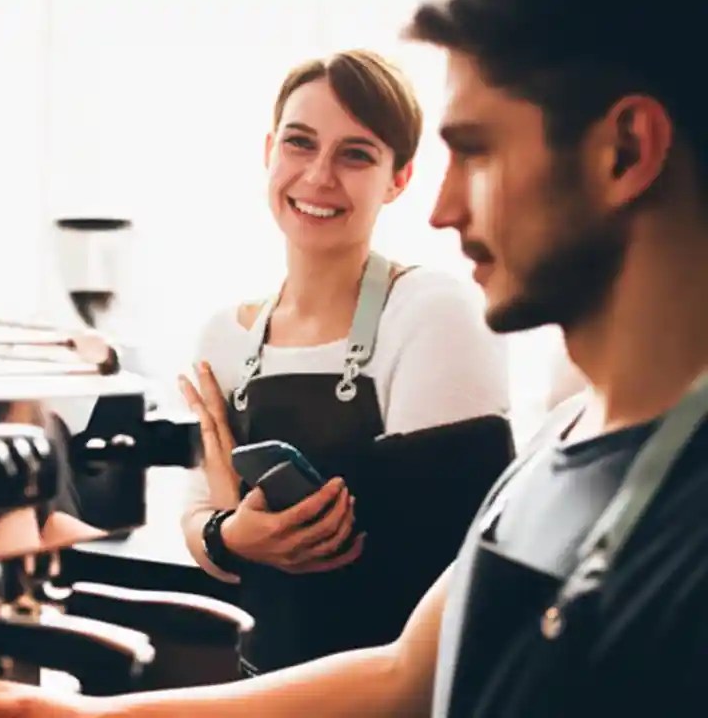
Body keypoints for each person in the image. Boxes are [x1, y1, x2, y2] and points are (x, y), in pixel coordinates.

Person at [0, 0, 708, 714]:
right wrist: (77, 714)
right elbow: (403, 675)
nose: (443, 210)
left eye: (477, 153)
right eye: (299, 144)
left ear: (623, 151)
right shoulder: (558, 446)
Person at [178, 49, 509, 675]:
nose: (318, 175)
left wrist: (242, 521)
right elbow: (200, 519)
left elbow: (444, 555)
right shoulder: (223, 336)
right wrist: (233, 535)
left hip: (400, 693)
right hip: (261, 687)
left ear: (398, 179)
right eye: (299, 143)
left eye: (355, 154)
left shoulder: (433, 313)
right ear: (269, 150)